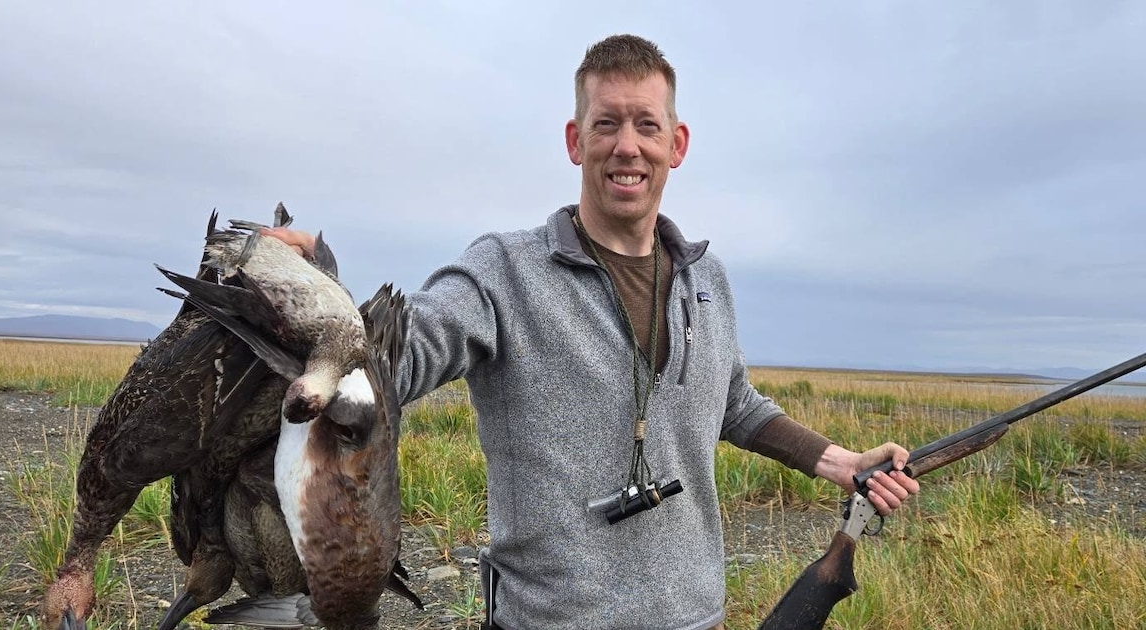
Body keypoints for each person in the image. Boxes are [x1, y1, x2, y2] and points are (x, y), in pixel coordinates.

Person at [266, 34, 919, 630]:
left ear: (677, 143)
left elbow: (736, 405)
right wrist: (320, 301)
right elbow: (399, 358)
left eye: (646, 125)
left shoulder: (706, 279)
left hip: (695, 616)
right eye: (606, 124)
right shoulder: (503, 271)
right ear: (576, 141)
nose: (626, 145)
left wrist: (842, 462)